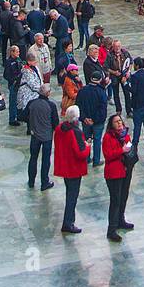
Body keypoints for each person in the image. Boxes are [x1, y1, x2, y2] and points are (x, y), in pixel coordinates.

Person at [53, 106, 90, 234]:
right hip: (73, 168)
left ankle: (69, 221)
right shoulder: (75, 132)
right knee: (72, 196)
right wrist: (87, 147)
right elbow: (80, 153)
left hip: (64, 167)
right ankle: (68, 222)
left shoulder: (59, 129)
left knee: (70, 193)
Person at [102, 113, 136, 241]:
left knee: (123, 197)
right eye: (116, 121)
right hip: (114, 172)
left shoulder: (125, 135)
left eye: (120, 121)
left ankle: (121, 220)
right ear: (111, 124)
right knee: (115, 200)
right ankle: (112, 229)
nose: (119, 123)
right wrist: (122, 151)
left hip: (126, 170)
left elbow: (129, 147)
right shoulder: (108, 137)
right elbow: (108, 155)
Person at [75, 67, 109, 167]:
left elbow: (78, 106)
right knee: (97, 140)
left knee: (86, 139)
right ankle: (96, 160)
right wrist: (94, 120)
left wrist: (84, 118)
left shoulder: (82, 91)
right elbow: (102, 109)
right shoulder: (101, 92)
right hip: (97, 122)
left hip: (85, 121)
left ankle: (86, 158)